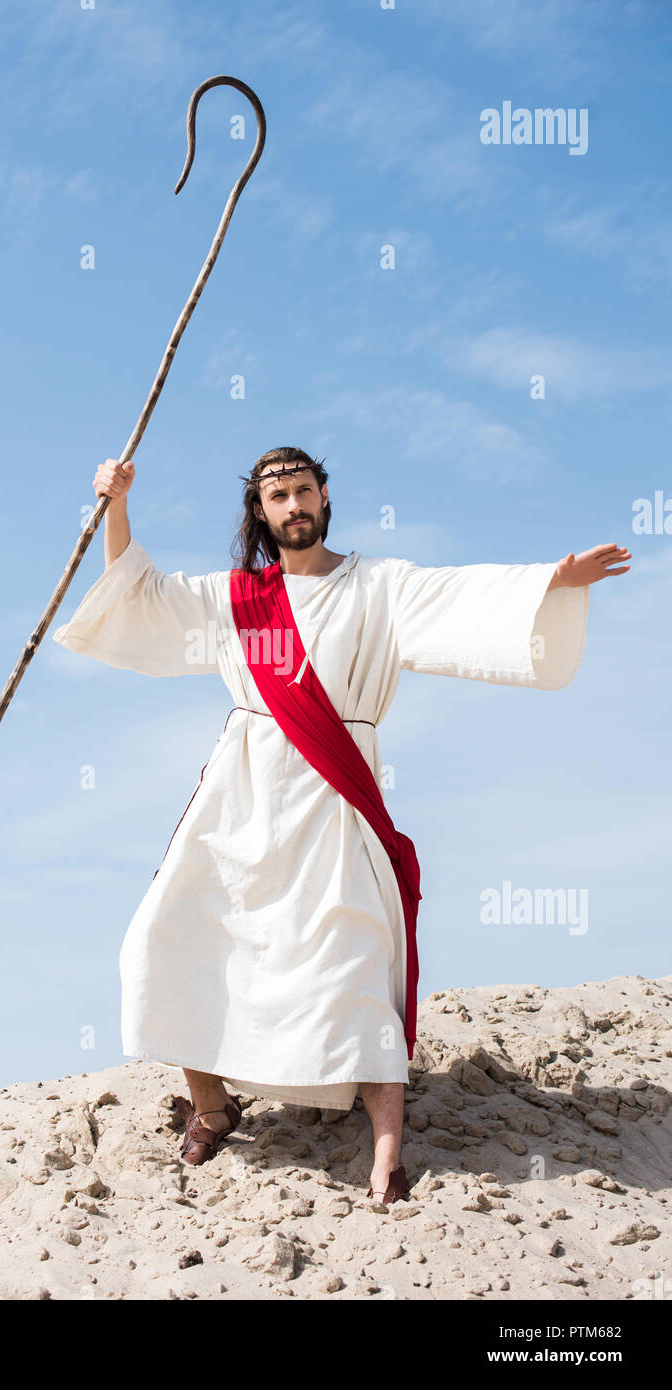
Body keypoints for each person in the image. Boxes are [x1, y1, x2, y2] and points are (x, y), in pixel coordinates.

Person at [52, 445, 630, 1206]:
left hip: (335, 788)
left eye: (302, 491)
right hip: (243, 790)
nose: (292, 507)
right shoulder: (236, 599)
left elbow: (462, 596)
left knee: (353, 960)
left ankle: (386, 1152)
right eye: (276, 497)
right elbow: (140, 596)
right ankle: (214, 1103)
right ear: (259, 513)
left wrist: (552, 581)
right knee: (166, 934)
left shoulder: (378, 587)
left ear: (324, 497)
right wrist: (117, 504)